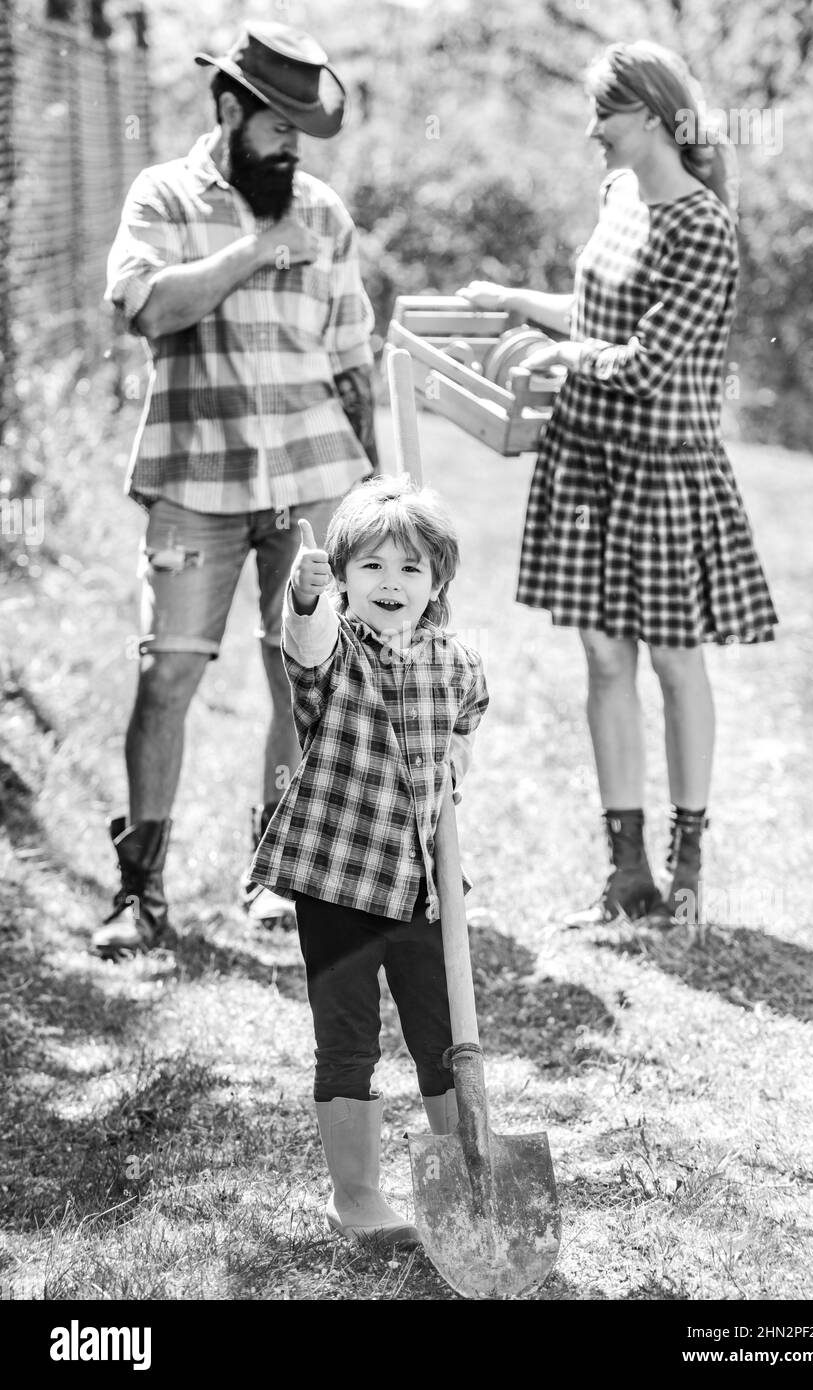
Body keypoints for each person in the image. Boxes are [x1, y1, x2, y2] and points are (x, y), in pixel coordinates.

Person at [458, 40, 778, 928]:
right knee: (602, 657)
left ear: (647, 115)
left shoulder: (702, 227)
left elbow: (642, 361)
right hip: (588, 456)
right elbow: (601, 314)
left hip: (660, 464)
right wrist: (519, 301)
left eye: (604, 113)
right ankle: (624, 868)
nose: (591, 131)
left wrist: (554, 355)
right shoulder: (615, 198)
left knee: (674, 659)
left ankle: (688, 862)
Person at [93, 23, 380, 959]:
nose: (292, 147)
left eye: (304, 131)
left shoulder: (327, 215)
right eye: (277, 128)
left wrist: (372, 487)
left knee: (296, 673)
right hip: (194, 481)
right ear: (227, 111)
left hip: (309, 480)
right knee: (167, 673)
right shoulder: (164, 196)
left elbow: (349, 362)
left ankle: (274, 869)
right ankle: (140, 891)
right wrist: (256, 250)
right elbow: (148, 309)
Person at [247, 475, 488, 1244]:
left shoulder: (455, 659)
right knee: (346, 1038)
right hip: (339, 884)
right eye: (373, 567)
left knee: (443, 1035)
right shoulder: (334, 651)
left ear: (437, 582)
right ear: (347, 579)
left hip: (422, 888)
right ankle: (356, 1197)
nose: (392, 582)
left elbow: (463, 725)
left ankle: (465, 1180)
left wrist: (453, 761)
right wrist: (305, 595)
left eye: (411, 568)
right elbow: (304, 640)